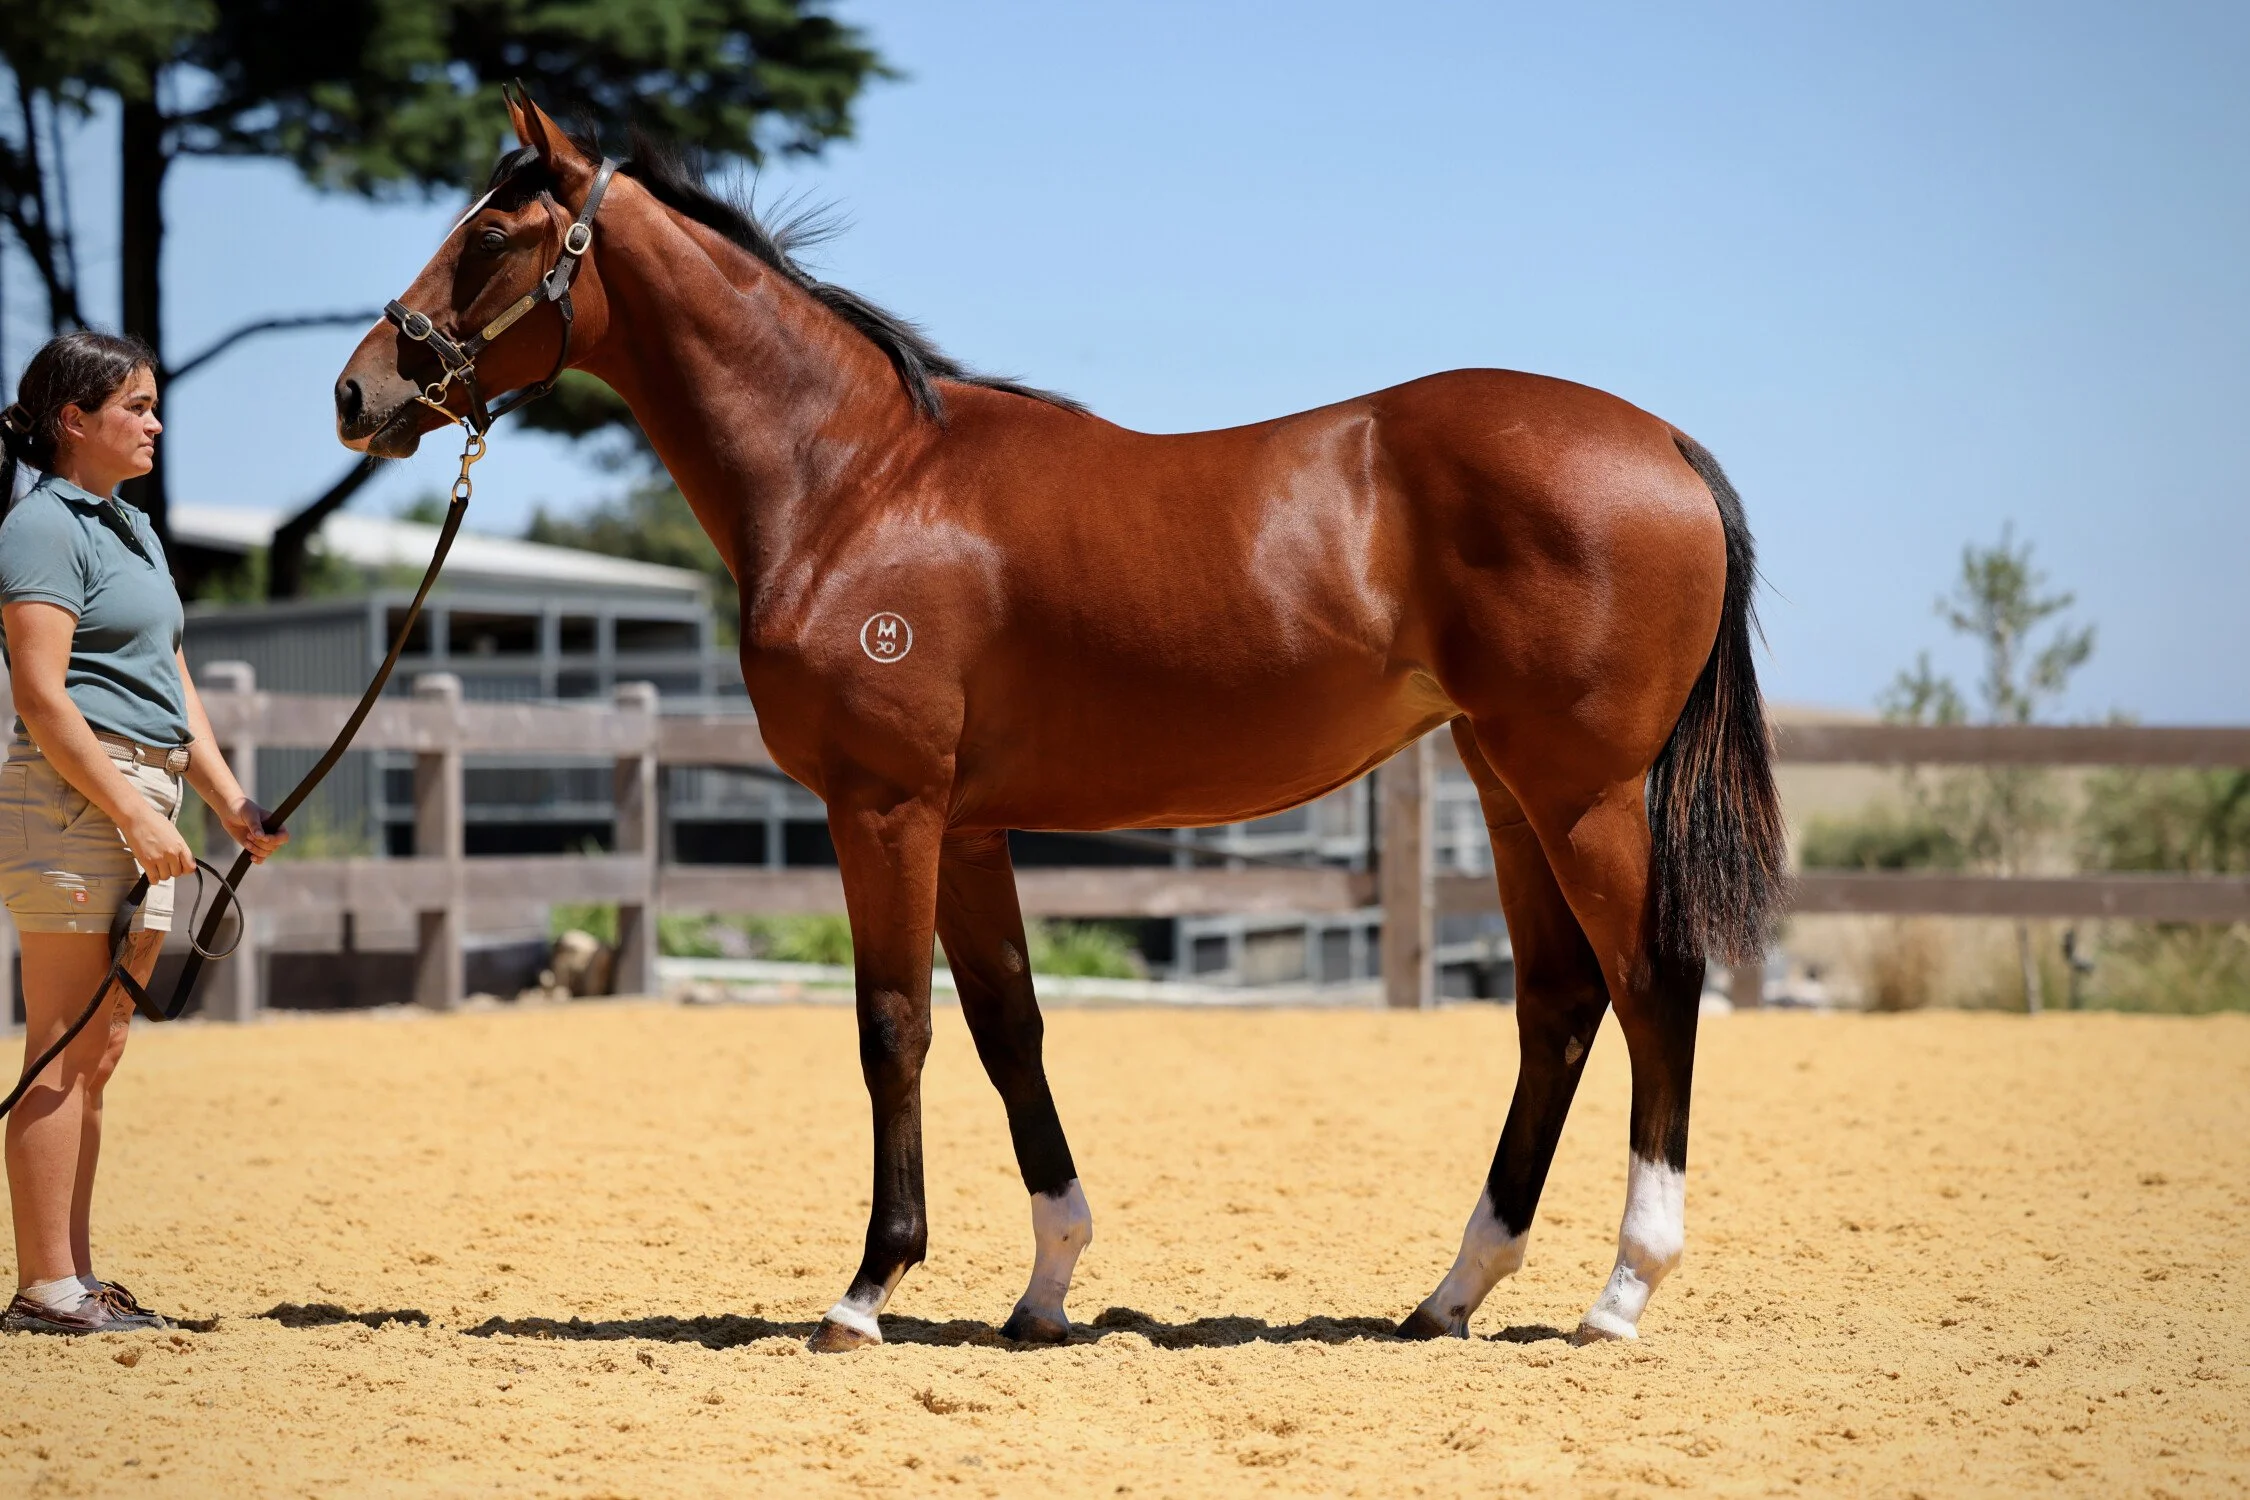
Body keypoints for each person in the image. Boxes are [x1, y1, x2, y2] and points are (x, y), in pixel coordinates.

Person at [0, 331, 285, 1334]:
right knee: (61, 1044)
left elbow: (174, 686)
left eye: (154, 405)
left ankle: (75, 1279)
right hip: (80, 797)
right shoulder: (43, 528)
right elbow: (41, 694)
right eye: (137, 406)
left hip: (145, 793)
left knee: (102, 1049)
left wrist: (226, 802)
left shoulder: (132, 530)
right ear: (73, 420)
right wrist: (126, 810)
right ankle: (46, 1290)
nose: (157, 422)